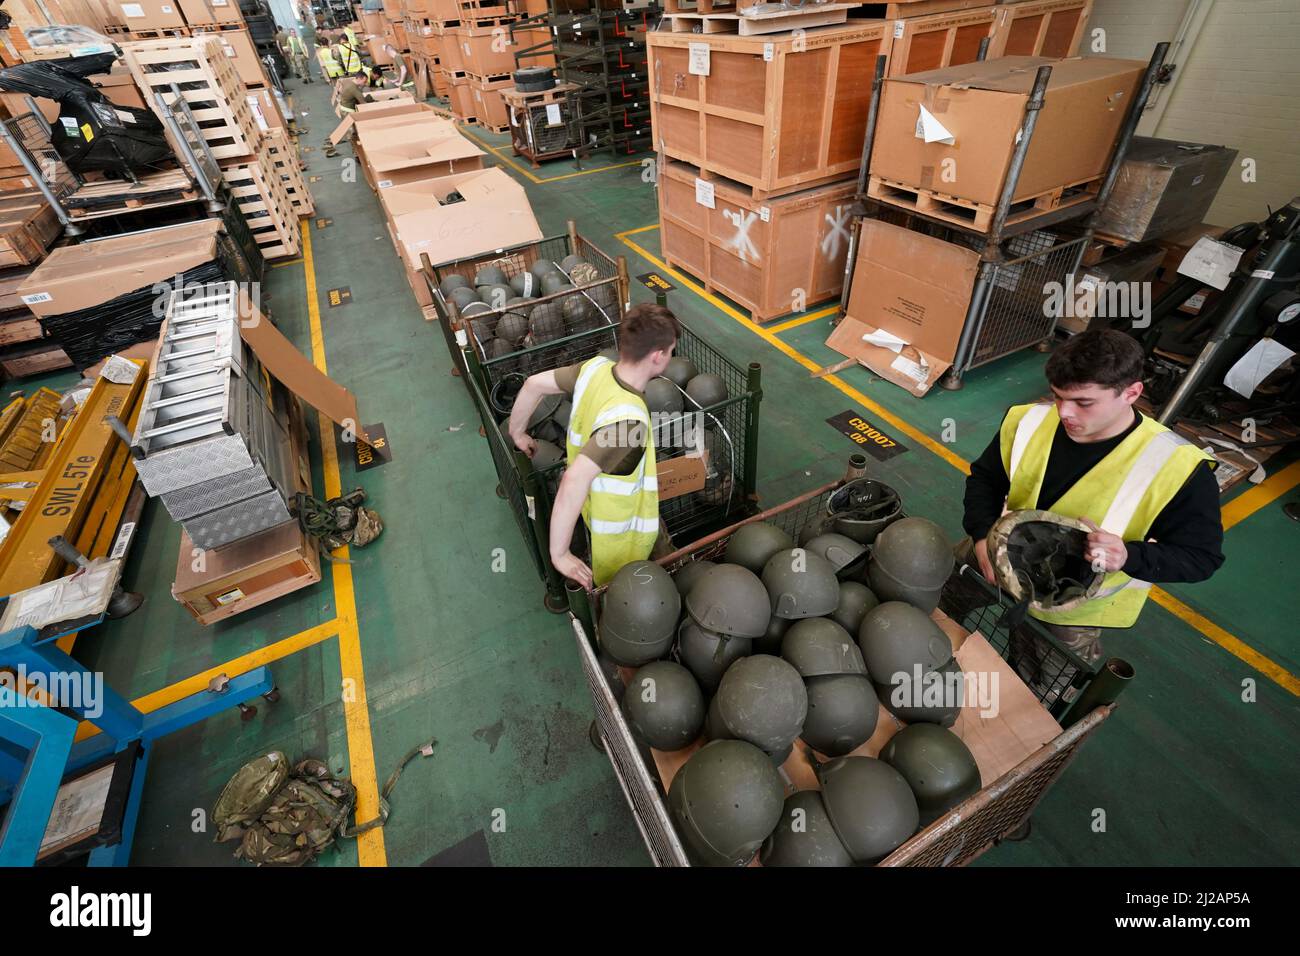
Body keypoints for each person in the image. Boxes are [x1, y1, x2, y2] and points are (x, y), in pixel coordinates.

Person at [960, 328, 1224, 675]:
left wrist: (1130, 555)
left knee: (1038, 685)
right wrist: (981, 536)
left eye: (1083, 402)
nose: (1065, 413)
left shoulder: (1176, 468)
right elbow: (986, 479)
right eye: (1057, 396)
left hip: (1071, 609)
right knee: (940, 594)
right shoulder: (1028, 421)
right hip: (997, 556)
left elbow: (1201, 558)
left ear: (1131, 392)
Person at [508, 303, 680, 589]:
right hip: (621, 532)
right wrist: (559, 553)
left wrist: (518, 433)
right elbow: (574, 479)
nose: (671, 357)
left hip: (595, 503)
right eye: (671, 350)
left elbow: (533, 384)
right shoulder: (628, 422)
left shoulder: (594, 369)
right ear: (657, 356)